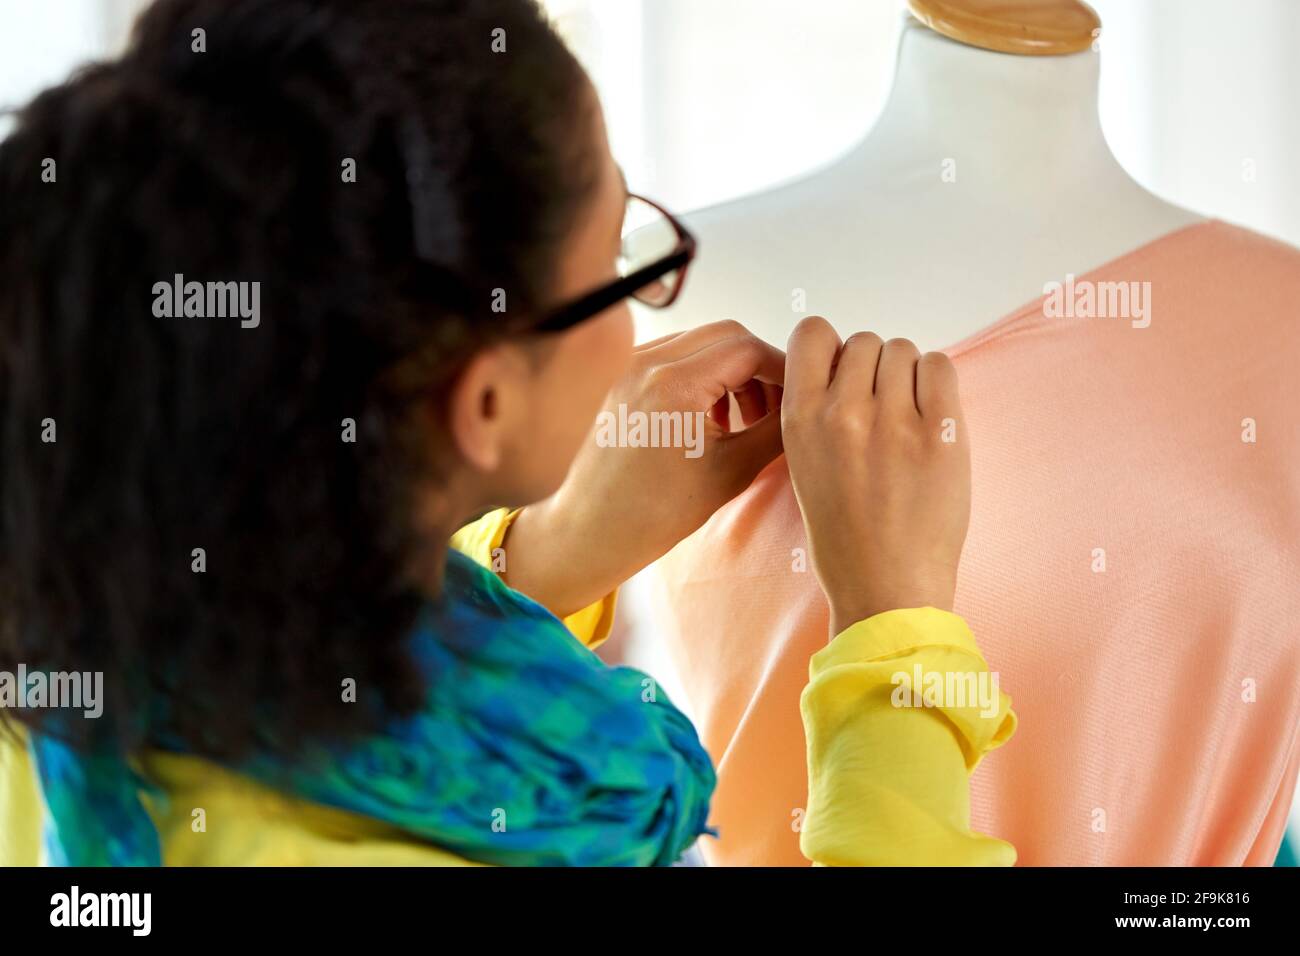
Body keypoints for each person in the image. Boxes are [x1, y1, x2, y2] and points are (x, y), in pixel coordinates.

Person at [0, 0, 1014, 866]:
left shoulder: (76, 678)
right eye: (619, 266)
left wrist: (534, 567)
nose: (641, 323)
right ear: (483, 404)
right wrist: (895, 633)